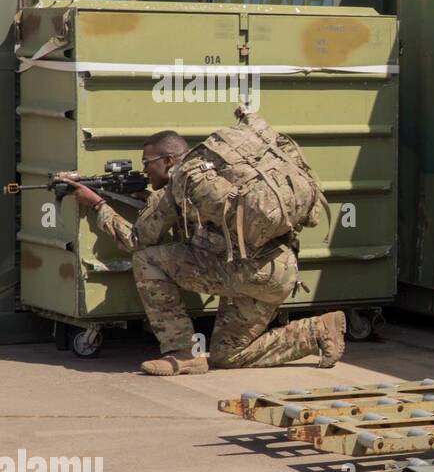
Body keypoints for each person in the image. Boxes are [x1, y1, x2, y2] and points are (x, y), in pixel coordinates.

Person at [67, 123, 345, 375]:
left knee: (146, 259)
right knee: (228, 355)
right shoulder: (213, 175)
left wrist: (98, 205)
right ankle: (316, 332)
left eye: (148, 163)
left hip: (239, 273)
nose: (144, 170)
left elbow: (137, 239)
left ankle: (182, 353)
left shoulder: (181, 181)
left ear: (168, 160)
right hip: (278, 275)